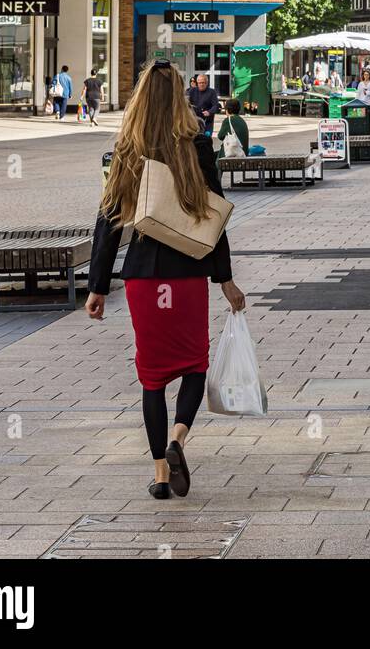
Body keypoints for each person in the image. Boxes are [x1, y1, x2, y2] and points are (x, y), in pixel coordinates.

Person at [85, 61, 244, 500]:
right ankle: (177, 439)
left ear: (139, 98)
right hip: (189, 272)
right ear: (180, 96)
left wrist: (98, 285)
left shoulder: (128, 146)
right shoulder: (196, 143)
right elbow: (215, 216)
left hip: (143, 276)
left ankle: (159, 475)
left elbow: (108, 221)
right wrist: (225, 280)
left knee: (152, 377)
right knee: (195, 366)